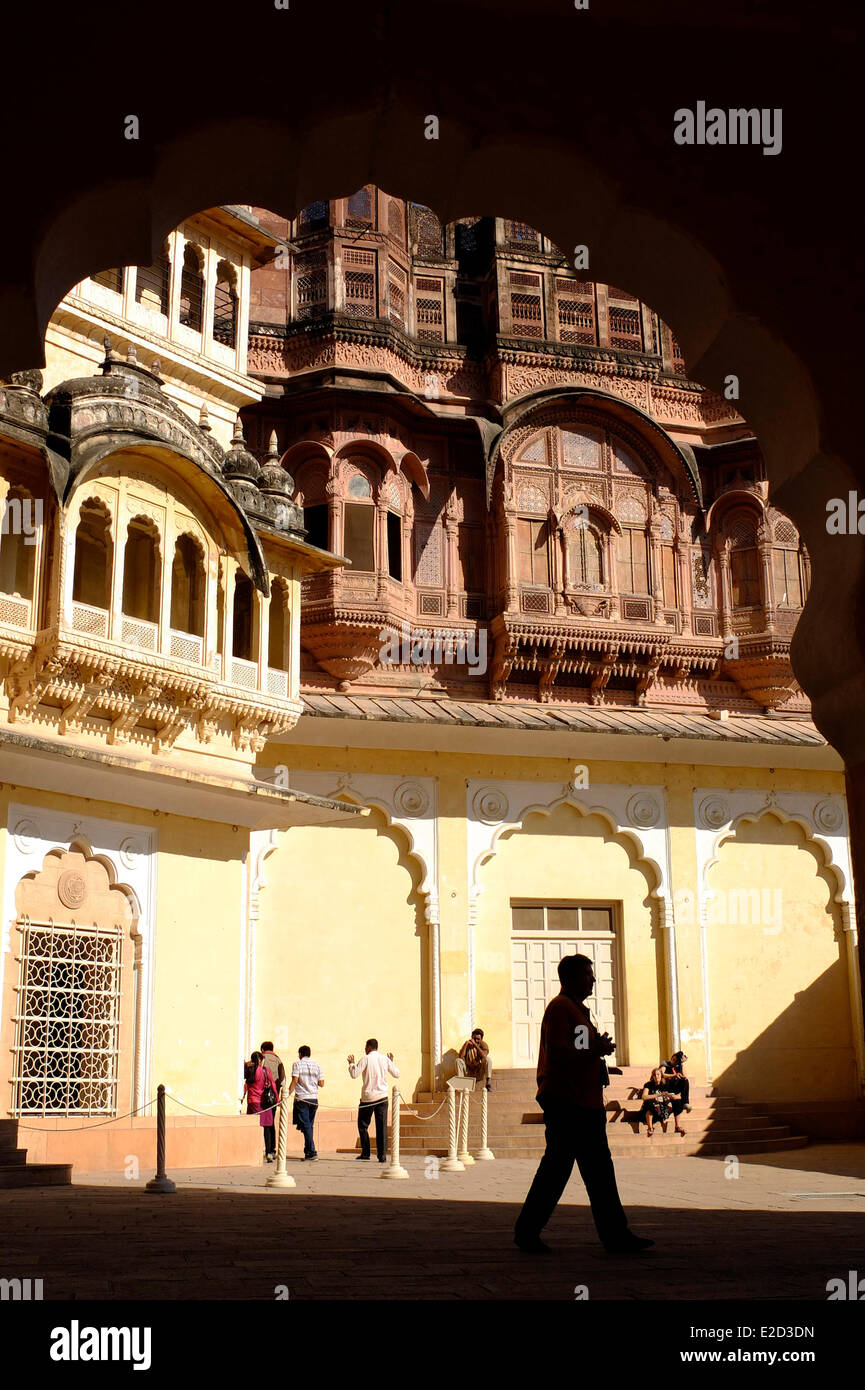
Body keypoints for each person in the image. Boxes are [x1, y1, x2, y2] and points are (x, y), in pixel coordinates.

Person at [514, 953, 654, 1255]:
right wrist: (598, 1049)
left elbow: (576, 1050)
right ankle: (613, 1234)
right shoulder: (564, 1009)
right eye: (588, 974)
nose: (593, 979)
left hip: (579, 1102)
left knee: (572, 1170)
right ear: (574, 977)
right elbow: (563, 1053)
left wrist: (596, 1052)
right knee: (589, 1170)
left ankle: (530, 1231)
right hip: (572, 1104)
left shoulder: (572, 1010)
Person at [348, 1039, 399, 1162]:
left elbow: (354, 1074)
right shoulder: (384, 1059)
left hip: (368, 1098)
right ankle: (382, 1155)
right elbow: (397, 1074)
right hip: (382, 1097)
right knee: (381, 1127)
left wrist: (351, 1064)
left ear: (369, 1047)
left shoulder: (365, 1059)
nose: (365, 1049)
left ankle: (366, 1153)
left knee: (362, 1125)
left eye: (365, 1047)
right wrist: (391, 1063)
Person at [289, 1044, 324, 1160]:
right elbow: (322, 1083)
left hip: (302, 1098)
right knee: (309, 1125)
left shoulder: (297, 1064)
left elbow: (295, 1080)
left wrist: (287, 1093)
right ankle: (308, 1151)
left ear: (300, 1054)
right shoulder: (317, 1065)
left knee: (306, 1126)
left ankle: (312, 1152)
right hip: (314, 1098)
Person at [242, 1051, 277, 1162]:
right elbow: (272, 1084)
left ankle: (250, 1152)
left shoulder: (248, 1070)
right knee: (266, 1128)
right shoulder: (264, 1071)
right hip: (263, 1102)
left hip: (252, 1101)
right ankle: (268, 1152)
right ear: (261, 1060)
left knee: (253, 1127)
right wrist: (277, 1098)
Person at [259, 1040, 285, 1163]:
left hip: (264, 1095)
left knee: (266, 1124)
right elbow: (283, 1078)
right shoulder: (278, 1060)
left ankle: (268, 1150)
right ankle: (273, 1150)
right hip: (275, 1096)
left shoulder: (262, 1059)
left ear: (263, 1049)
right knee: (272, 1122)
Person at [640, 1067, 685, 1138]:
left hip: (665, 1108)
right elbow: (644, 1097)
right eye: (654, 1075)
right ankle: (650, 1128)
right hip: (654, 1110)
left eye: (658, 1074)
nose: (656, 1076)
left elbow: (679, 1096)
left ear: (661, 1075)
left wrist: (670, 1095)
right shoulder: (648, 1085)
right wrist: (658, 1095)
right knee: (648, 1103)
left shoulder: (667, 1084)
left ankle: (677, 1126)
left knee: (678, 1102)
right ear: (652, 1077)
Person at [662, 1051, 692, 1115]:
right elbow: (662, 1074)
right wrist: (674, 1075)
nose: (673, 1060)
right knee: (677, 1103)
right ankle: (682, 1101)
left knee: (685, 1081)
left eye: (675, 1060)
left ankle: (685, 1102)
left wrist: (681, 1064)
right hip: (668, 1086)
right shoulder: (665, 1064)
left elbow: (685, 1077)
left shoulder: (679, 1066)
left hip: (675, 1087)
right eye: (673, 1058)